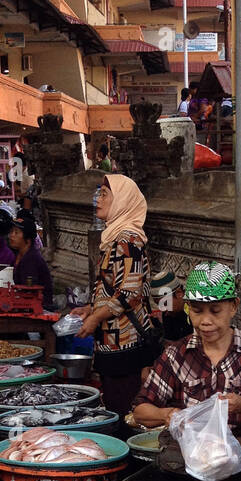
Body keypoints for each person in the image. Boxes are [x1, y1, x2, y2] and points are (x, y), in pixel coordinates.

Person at [133, 262, 241, 481]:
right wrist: (166, 414)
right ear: (188, 309)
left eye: (215, 310)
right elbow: (140, 411)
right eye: (198, 311)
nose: (205, 321)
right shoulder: (176, 355)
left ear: (233, 307)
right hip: (185, 456)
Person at [72, 174, 156, 418]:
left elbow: (129, 293)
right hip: (111, 343)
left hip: (125, 345)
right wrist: (91, 309)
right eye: (99, 193)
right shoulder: (114, 238)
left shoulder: (128, 240)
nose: (98, 199)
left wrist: (96, 318)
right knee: (114, 406)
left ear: (122, 201)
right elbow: (113, 286)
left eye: (105, 194)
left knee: (124, 412)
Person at [8, 215, 52, 307]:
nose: (11, 236)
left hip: (39, 305)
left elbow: (29, 290)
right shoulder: (18, 255)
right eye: (11, 231)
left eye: (16, 233)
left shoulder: (31, 259)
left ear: (27, 240)